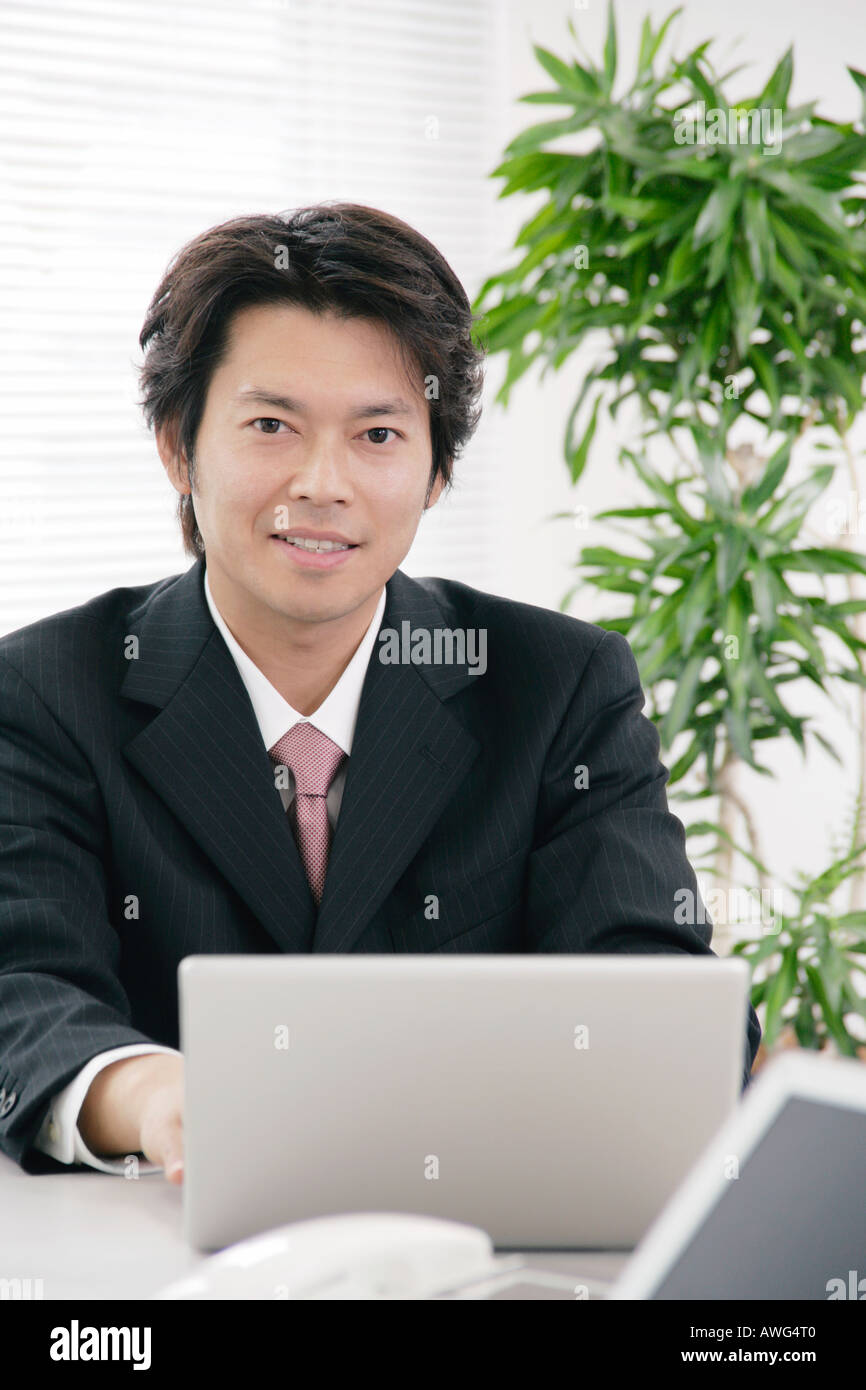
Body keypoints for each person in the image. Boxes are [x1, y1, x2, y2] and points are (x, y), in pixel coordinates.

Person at [0, 203, 761, 1184]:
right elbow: (21, 983)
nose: (323, 483)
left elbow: (652, 990)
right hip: (162, 1248)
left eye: (377, 434)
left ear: (437, 470)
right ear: (178, 448)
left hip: (486, 1242)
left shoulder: (557, 686)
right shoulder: (46, 693)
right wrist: (155, 1096)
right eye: (271, 424)